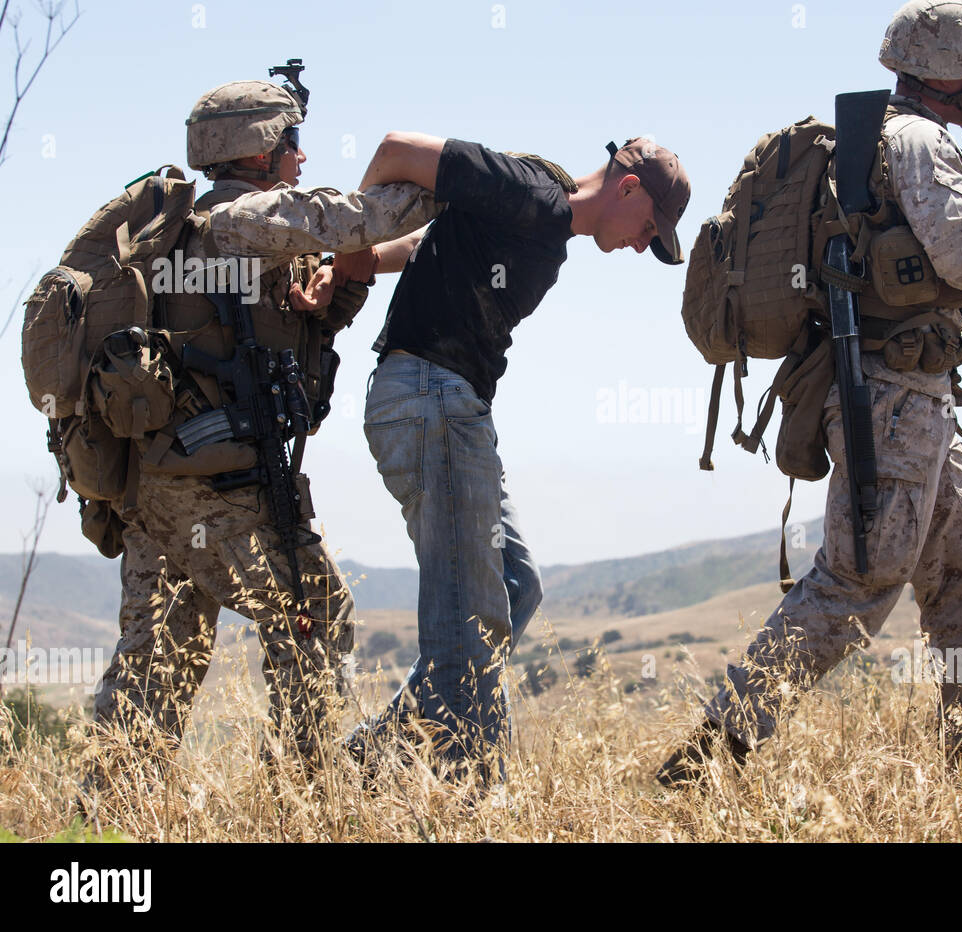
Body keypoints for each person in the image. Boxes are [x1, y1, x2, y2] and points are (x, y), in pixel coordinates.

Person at [657, 0, 962, 786]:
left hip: (913, 392)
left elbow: (909, 279)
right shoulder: (922, 142)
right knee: (862, 573)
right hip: (890, 398)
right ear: (947, 70)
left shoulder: (885, 142)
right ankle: (715, 750)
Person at [88, 77, 442, 783]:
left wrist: (323, 299)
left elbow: (268, 334)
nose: (302, 160)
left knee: (157, 661)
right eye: (293, 143)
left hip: (157, 484)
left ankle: (104, 820)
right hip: (211, 486)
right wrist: (459, 180)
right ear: (260, 149)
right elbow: (365, 218)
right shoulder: (245, 220)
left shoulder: (193, 232)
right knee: (311, 610)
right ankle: (299, 797)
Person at [311, 133, 691, 782]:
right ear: (628, 188)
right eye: (647, 229)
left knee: (516, 587)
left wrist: (365, 261)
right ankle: (474, 798)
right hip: (431, 399)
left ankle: (369, 759)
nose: (639, 245)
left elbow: (434, 245)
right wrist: (346, 243)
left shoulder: (543, 228)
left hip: (454, 410)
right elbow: (397, 149)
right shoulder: (527, 191)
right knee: (473, 614)